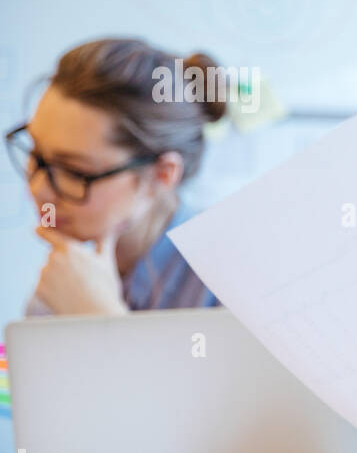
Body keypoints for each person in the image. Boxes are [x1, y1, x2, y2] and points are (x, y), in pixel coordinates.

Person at [6, 38, 223, 316]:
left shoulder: (234, 281)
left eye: (74, 172)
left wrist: (101, 319)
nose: (39, 190)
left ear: (162, 175)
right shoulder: (67, 280)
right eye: (36, 155)